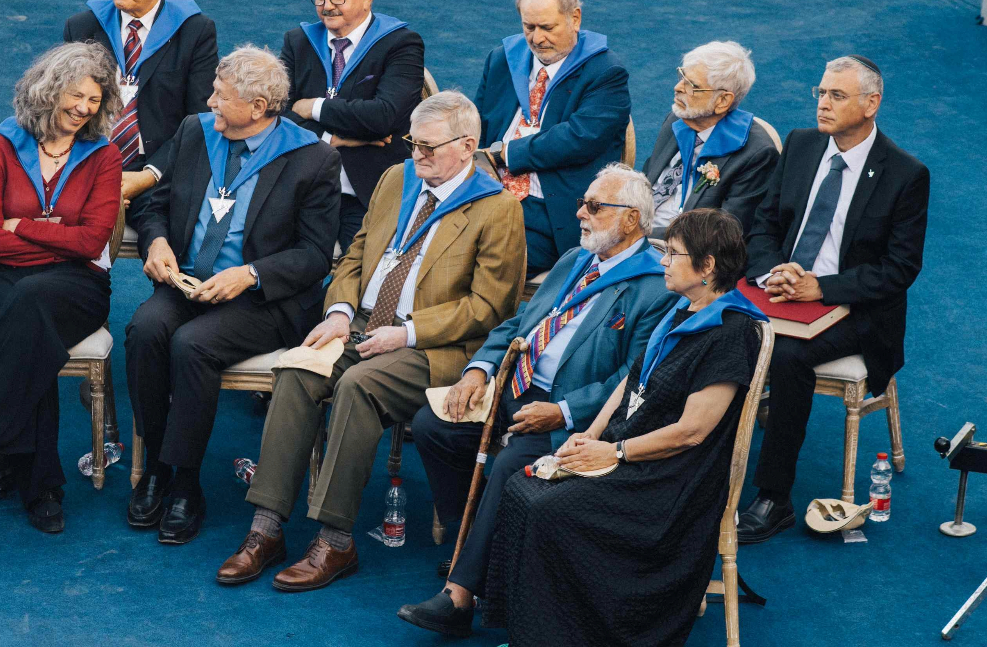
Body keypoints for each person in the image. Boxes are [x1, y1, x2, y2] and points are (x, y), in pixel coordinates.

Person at [216, 92, 523, 592]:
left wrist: (407, 332)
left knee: (359, 385)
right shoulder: (396, 180)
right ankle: (266, 529)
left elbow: (489, 308)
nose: (417, 155)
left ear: (467, 146)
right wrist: (339, 311)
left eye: (429, 146)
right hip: (360, 328)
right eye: (412, 143)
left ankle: (335, 540)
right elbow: (355, 256)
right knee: (296, 371)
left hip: (431, 348)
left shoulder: (497, 209)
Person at [398, 163, 675, 637]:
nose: (581, 212)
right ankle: (476, 545)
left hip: (569, 413)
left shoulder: (655, 289)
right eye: (583, 202)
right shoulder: (574, 260)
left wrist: (563, 412)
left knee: (511, 463)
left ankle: (460, 596)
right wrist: (478, 370)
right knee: (433, 426)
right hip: (515, 386)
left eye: (595, 206)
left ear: (632, 220)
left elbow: (629, 381)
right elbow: (519, 325)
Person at [477, 208, 768, 647]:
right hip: (628, 448)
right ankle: (539, 630)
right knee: (524, 485)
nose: (664, 261)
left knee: (548, 508)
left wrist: (611, 453)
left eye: (673, 253)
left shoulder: (732, 331)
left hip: (669, 478)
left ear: (707, 266)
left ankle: (572, 632)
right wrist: (591, 434)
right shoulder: (681, 309)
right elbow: (632, 379)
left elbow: (691, 432)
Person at [124, 46, 341, 545]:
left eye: (221, 96)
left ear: (259, 106)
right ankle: (155, 464)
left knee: (191, 345)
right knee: (145, 330)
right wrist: (156, 240)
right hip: (191, 283)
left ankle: (184, 483)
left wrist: (250, 273)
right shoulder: (195, 132)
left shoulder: (312, 159)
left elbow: (314, 255)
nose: (209, 102)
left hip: (263, 300)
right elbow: (154, 199)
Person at [735, 55, 929, 543]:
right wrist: (773, 273)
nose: (823, 104)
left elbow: (899, 269)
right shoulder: (801, 145)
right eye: (820, 93)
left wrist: (820, 288)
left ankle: (773, 496)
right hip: (782, 288)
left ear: (871, 104)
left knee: (787, 355)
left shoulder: (905, 174)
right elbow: (765, 225)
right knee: (708, 323)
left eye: (837, 96)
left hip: (856, 309)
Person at [0, 43, 124, 534]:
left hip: (79, 287)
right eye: (78, 95)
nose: (85, 109)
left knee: (32, 307)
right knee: (32, 328)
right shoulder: (3, 144)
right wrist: (59, 241)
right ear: (50, 88)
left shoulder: (104, 156)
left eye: (95, 100)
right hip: (0, 283)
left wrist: (20, 225)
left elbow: (93, 242)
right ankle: (43, 486)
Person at [474, 0, 630, 274]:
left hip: (549, 212)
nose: (536, 38)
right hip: (487, 195)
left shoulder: (606, 73)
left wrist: (507, 153)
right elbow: (477, 124)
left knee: (479, 263)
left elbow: (577, 139)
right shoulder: (502, 60)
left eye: (547, 27)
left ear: (575, 18)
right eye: (528, 27)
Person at [280, 0, 426, 251]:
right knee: (277, 264)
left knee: (358, 278)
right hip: (305, 185)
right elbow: (277, 117)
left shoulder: (400, 44)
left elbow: (384, 116)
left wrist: (313, 107)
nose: (327, 7)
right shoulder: (298, 42)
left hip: (369, 189)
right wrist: (332, 138)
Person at [62, 0, 219, 202]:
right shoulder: (83, 28)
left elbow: (200, 120)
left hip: (158, 170)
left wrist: (151, 174)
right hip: (88, 161)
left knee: (159, 231)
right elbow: (63, 109)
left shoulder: (193, 32)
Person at [640, 41, 779, 239]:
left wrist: (637, 236)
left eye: (692, 85)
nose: (678, 87)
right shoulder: (678, 118)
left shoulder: (756, 155)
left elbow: (720, 235)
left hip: (680, 253)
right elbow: (649, 179)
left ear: (722, 101)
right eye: (682, 76)